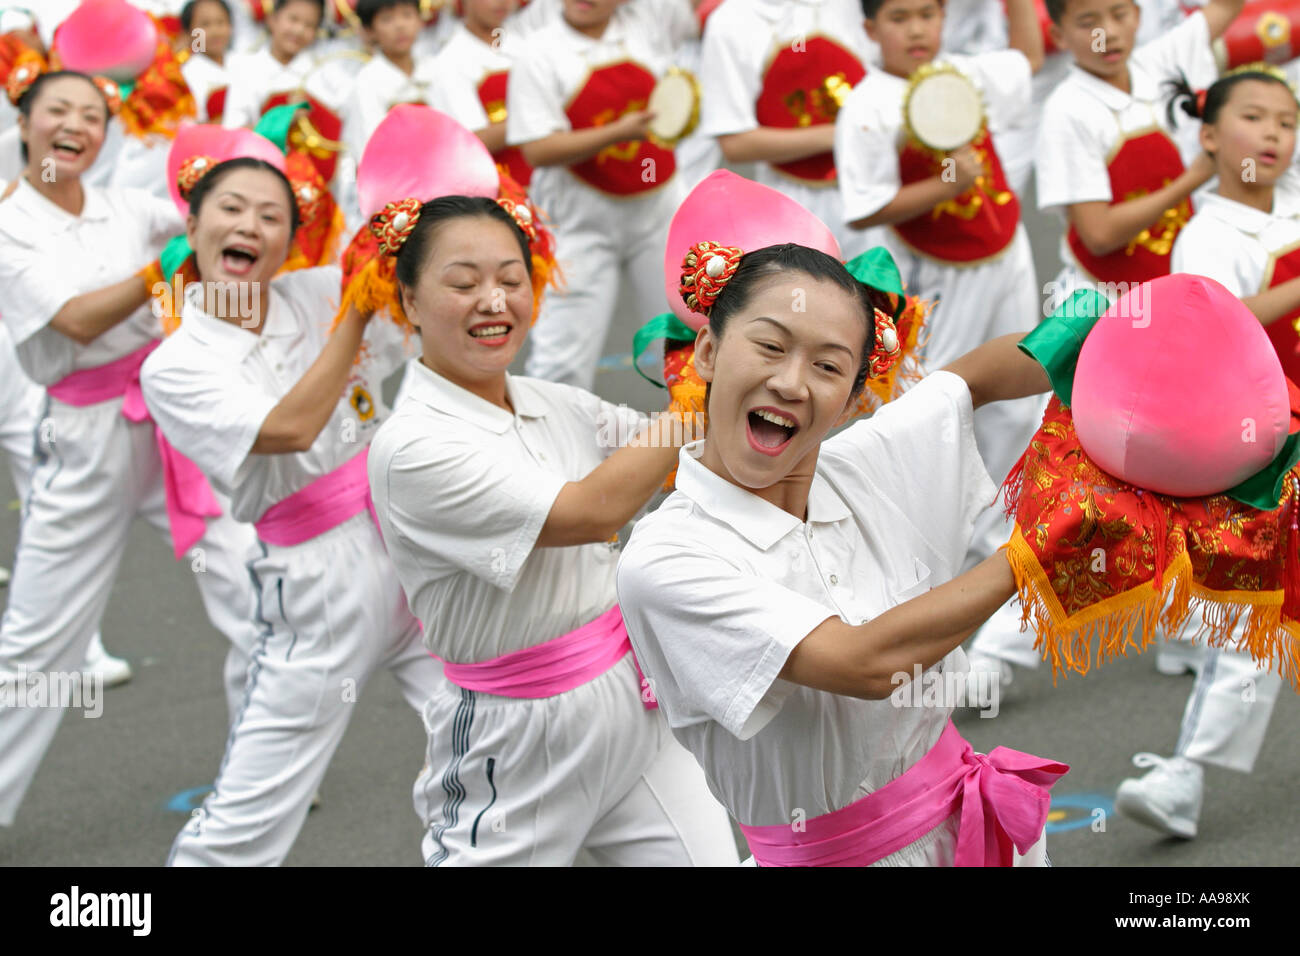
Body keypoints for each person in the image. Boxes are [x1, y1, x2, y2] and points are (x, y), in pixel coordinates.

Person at [616, 212, 1069, 864]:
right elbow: (864, 664)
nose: (792, 382)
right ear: (708, 353)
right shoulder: (665, 558)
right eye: (770, 346)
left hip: (979, 827)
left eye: (827, 366)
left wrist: (1101, 349)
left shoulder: (863, 463)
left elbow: (979, 375)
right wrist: (1034, 552)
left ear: (856, 398)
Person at [366, 193, 740, 866]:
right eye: (463, 282)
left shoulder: (551, 401)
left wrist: (767, 374)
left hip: (634, 701)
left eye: (512, 280)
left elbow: (681, 463)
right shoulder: (412, 446)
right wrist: (697, 396)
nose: (494, 300)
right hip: (513, 739)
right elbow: (590, 510)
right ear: (409, 300)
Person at [140, 155, 441, 865]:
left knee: (491, 730)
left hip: (413, 546)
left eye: (272, 216)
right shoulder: (177, 364)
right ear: (192, 223)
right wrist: (355, 311)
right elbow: (287, 430)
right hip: (316, 586)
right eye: (232, 209)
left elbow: (425, 321)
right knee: (254, 809)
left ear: (290, 240)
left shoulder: (316, 290)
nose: (250, 225)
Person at [0, 70, 259, 828]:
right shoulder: (11, 226)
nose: (76, 125)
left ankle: (261, 777)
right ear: (23, 121)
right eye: (58, 111)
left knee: (255, 589)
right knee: (39, 647)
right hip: (84, 443)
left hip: (174, 422)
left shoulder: (126, 206)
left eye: (92, 113)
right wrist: (162, 271)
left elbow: (209, 223)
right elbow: (75, 322)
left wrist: (257, 184)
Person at [1102, 65, 1297, 840]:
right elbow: (1221, 321)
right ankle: (1184, 774)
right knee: (1250, 614)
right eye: (1255, 118)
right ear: (1210, 137)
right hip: (1266, 444)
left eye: (1286, 121)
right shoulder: (1208, 233)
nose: (1275, 135)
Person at [505, 0, 692, 389]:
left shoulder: (649, 21)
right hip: (578, 226)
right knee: (562, 364)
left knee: (682, 345)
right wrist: (618, 132)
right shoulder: (538, 52)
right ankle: (555, 449)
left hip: (659, 214)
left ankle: (687, 444)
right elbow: (537, 149)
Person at [1034, 0, 1244, 307]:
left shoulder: (1159, 61)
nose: (1107, 33)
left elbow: (1228, 7)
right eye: (1087, 23)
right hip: (1100, 300)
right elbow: (1099, 234)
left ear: (1138, 15)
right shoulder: (1066, 110)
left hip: (1174, 285)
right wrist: (1193, 179)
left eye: (1120, 15)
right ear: (1058, 35)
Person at [697, 0, 880, 259]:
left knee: (882, 296)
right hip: (790, 204)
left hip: (873, 194)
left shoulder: (854, 6)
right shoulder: (732, 21)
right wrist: (842, 134)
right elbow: (735, 143)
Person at [428, 0, 532, 187]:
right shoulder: (450, 62)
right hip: (499, 193)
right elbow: (472, 141)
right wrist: (542, 113)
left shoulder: (527, 46)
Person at [342, 0, 436, 160]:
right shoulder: (366, 84)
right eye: (387, 19)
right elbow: (369, 151)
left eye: (407, 15)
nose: (400, 26)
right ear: (369, 31)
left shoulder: (436, 68)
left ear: (420, 20)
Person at [221, 0, 325, 130]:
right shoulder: (246, 68)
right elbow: (233, 130)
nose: (299, 30)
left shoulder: (322, 72)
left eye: (309, 25)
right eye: (293, 19)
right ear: (272, 19)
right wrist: (280, 120)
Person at [178, 0, 235, 123]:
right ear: (188, 33)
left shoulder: (244, 63)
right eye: (205, 25)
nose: (215, 32)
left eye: (221, 22)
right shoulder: (186, 75)